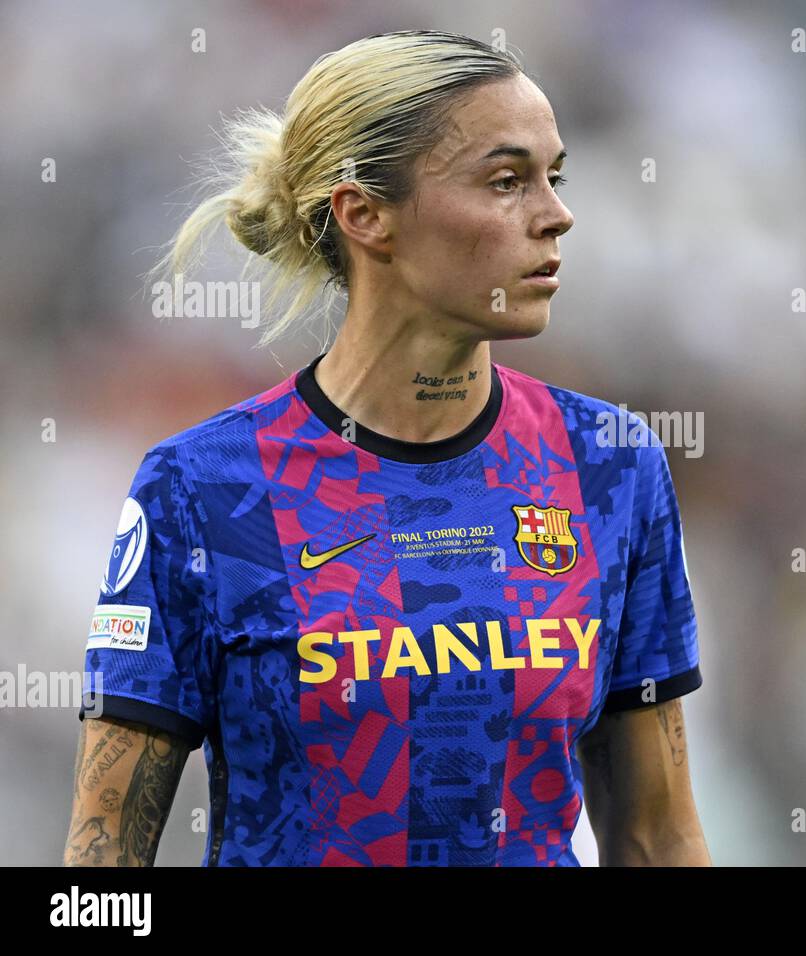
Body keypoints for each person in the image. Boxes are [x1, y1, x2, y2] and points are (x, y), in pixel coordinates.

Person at [63, 30, 708, 867]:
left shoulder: (611, 465)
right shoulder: (203, 489)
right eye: (507, 181)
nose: (556, 213)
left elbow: (656, 834)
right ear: (365, 214)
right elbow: (103, 853)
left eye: (556, 176)